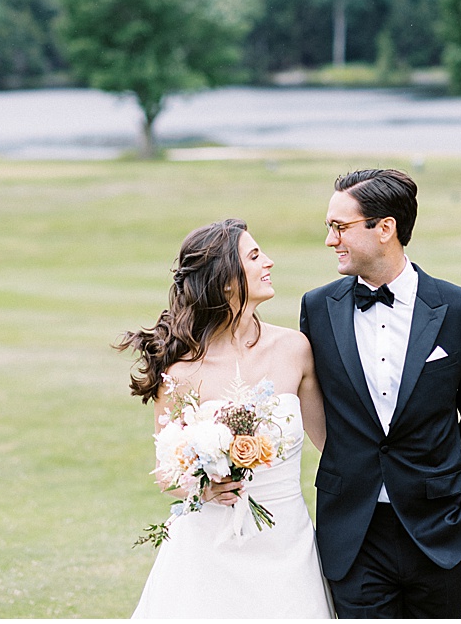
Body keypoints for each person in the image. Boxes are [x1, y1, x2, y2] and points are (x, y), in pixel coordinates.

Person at [299, 169, 461, 618]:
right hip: (352, 529)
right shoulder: (317, 307)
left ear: (384, 228)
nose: (330, 240)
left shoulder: (460, 309)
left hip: (439, 529)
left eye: (340, 227)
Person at [120, 219, 333, 619]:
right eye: (254, 256)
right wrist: (203, 489)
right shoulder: (181, 370)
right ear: (226, 281)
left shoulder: (294, 348)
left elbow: (332, 444)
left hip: (286, 541)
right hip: (207, 549)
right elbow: (166, 474)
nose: (268, 261)